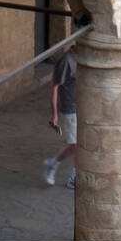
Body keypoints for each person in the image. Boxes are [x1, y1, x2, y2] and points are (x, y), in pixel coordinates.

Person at [43, 44, 77, 187]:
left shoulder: (83, 57)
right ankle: (74, 179)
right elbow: (55, 88)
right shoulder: (66, 61)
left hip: (82, 106)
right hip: (70, 108)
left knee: (75, 146)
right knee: (77, 145)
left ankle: (53, 163)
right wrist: (54, 115)